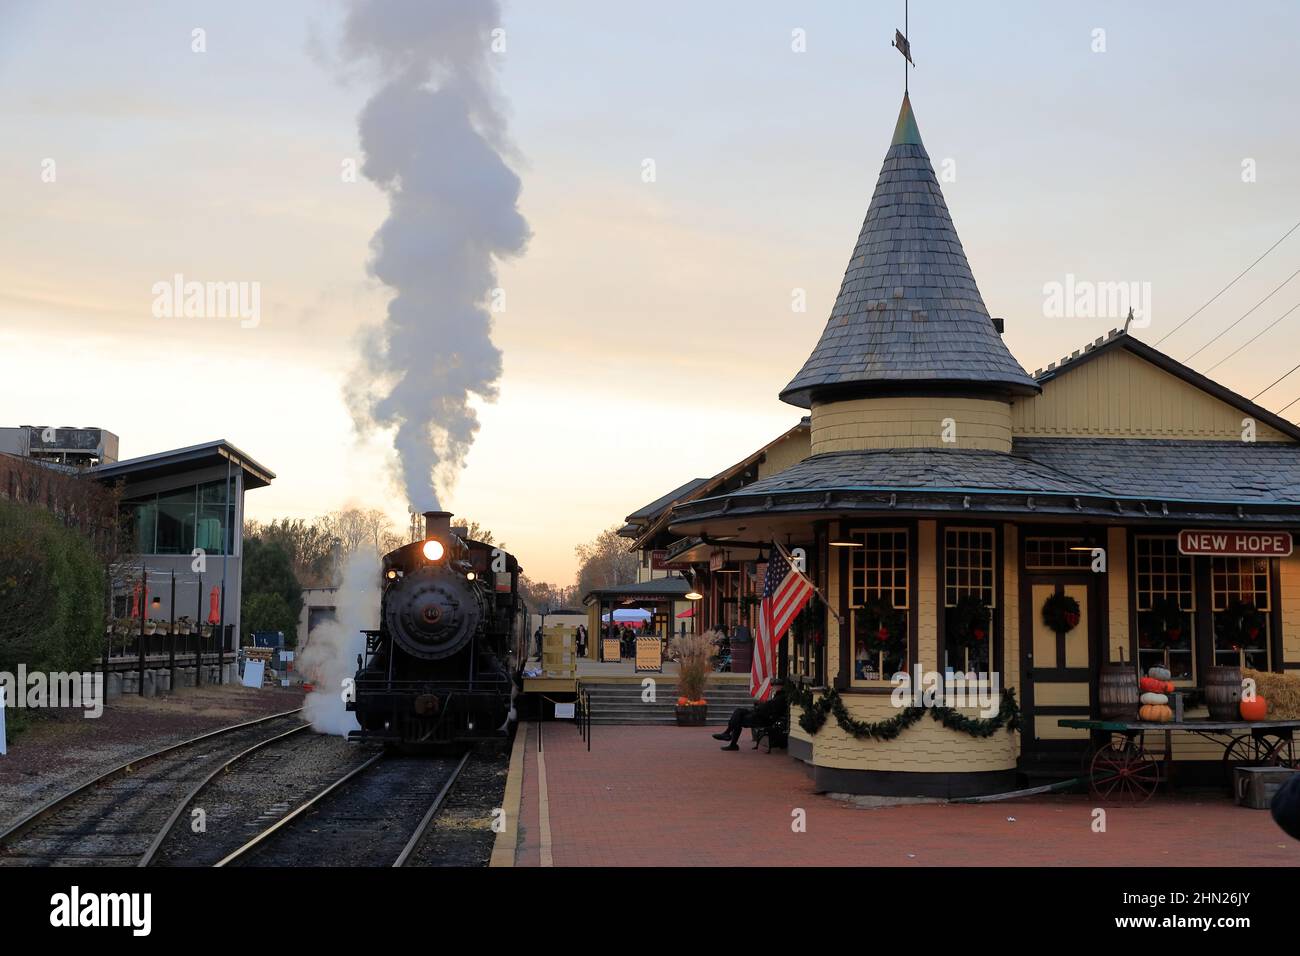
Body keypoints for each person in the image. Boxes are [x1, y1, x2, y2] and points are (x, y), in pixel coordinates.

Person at [713, 682, 788, 751]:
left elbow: (770, 711)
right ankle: (727, 734)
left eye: (774, 686)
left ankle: (730, 739)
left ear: (780, 687)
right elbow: (767, 706)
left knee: (738, 720)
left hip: (762, 718)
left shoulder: (780, 698)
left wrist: (759, 709)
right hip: (758, 713)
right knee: (738, 711)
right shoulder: (777, 696)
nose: (772, 687)